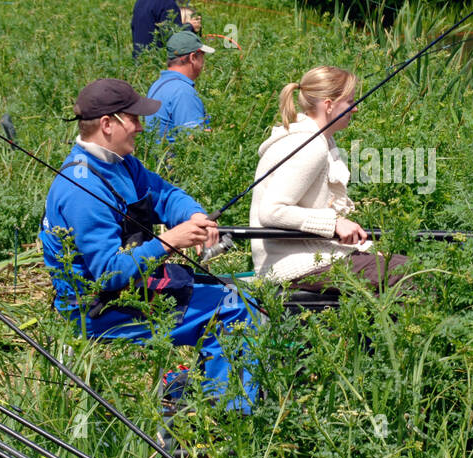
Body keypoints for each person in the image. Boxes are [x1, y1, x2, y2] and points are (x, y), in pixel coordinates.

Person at [40, 78, 259, 412]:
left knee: (239, 291)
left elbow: (164, 194)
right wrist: (171, 241)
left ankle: (203, 394)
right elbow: (109, 274)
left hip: (133, 286)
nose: (141, 127)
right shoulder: (81, 189)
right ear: (107, 124)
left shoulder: (120, 162)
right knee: (233, 311)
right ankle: (233, 425)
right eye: (134, 119)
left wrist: (194, 216)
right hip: (99, 308)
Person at [249, 66, 407, 293]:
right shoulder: (308, 147)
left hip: (311, 256)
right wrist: (334, 223)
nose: (355, 108)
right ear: (329, 104)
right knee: (411, 275)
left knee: (399, 263)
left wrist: (364, 248)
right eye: (350, 102)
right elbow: (272, 211)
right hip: (292, 265)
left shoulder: (319, 141)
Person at [145, 30, 215, 141]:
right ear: (193, 58)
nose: (203, 63)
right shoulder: (183, 92)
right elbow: (194, 141)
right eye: (202, 56)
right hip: (174, 157)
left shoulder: (157, 84)